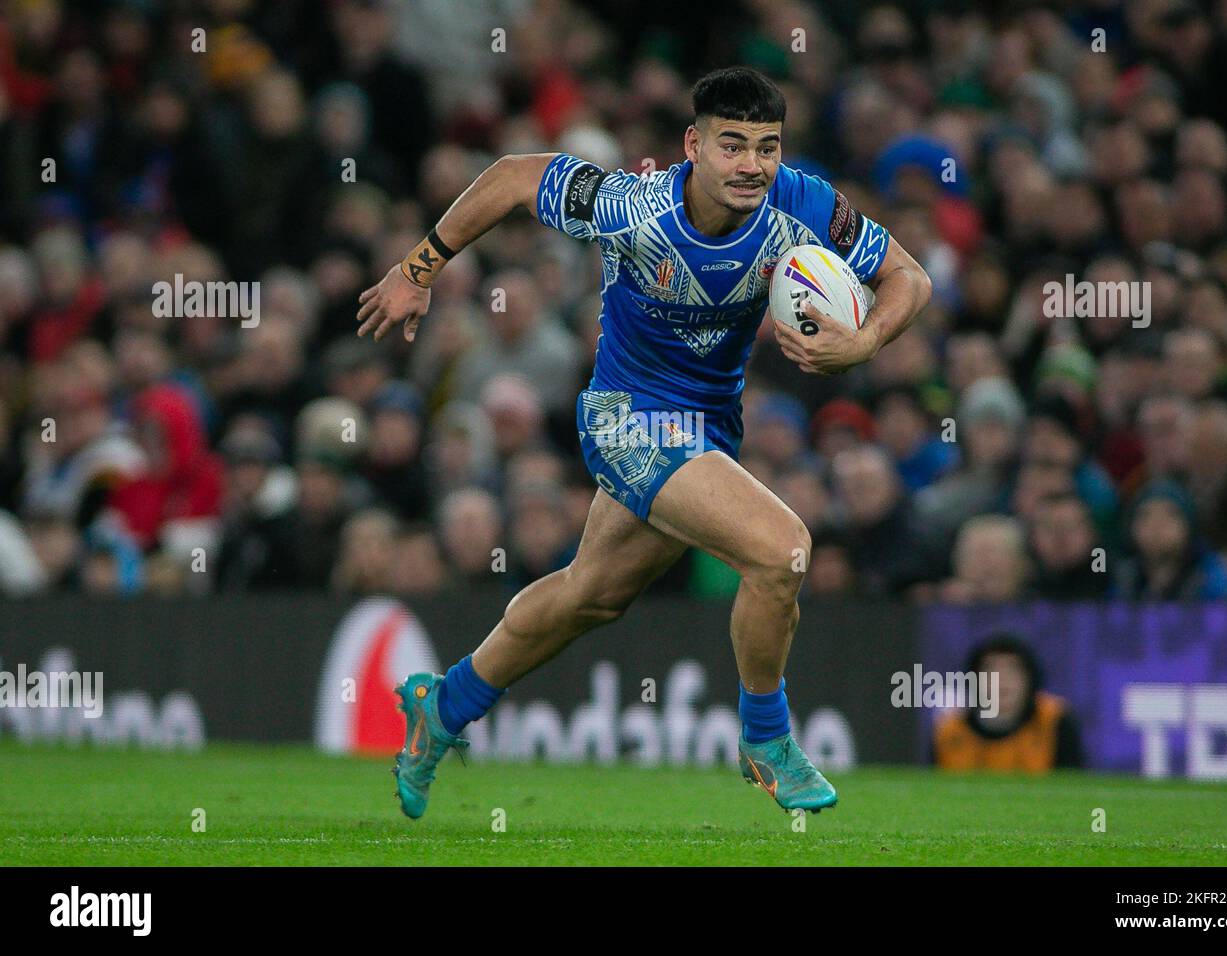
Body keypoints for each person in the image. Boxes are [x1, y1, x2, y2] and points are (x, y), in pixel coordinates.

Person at [356, 67, 931, 816]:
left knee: (590, 596)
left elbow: (909, 278)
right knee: (781, 550)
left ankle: (441, 707)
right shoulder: (633, 206)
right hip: (627, 417)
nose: (752, 165)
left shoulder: (805, 202)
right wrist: (416, 267)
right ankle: (765, 738)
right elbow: (510, 177)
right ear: (692, 145)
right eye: (732, 146)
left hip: (708, 428)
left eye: (767, 147)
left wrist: (866, 343)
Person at [932, 633, 1085, 772]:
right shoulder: (950, 731)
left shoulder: (1054, 722)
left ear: (1030, 679)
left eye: (1013, 670)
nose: (1002, 680)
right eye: (991, 671)